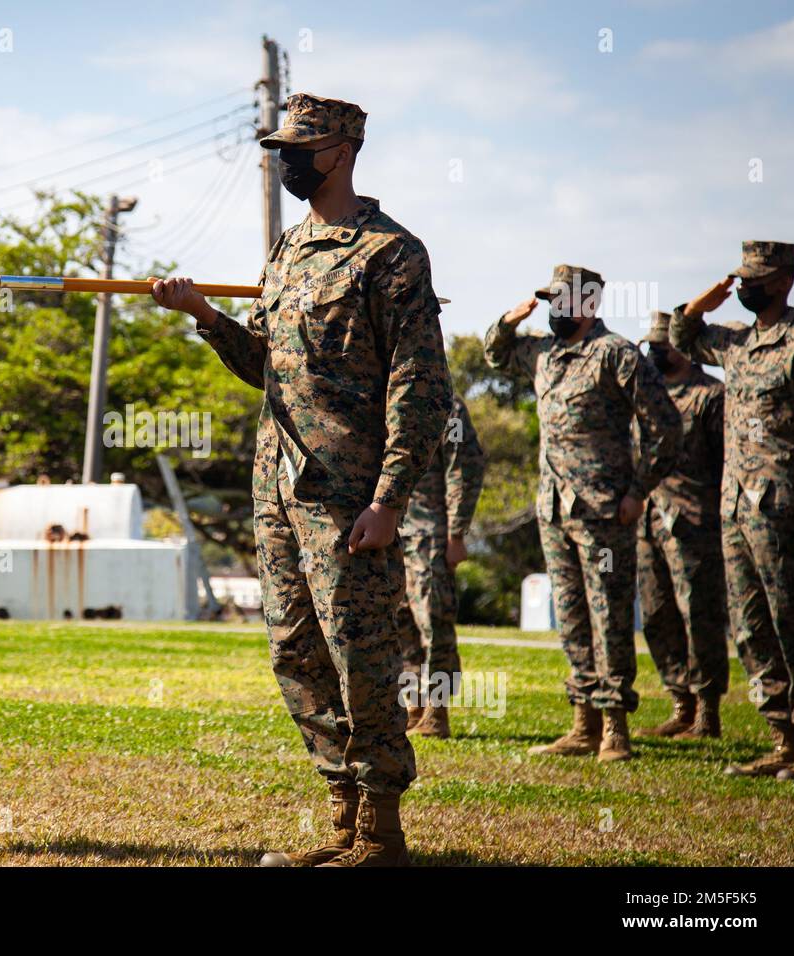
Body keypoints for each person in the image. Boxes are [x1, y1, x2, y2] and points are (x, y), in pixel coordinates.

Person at [151, 93, 452, 866]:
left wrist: (389, 499)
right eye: (279, 146)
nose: (285, 160)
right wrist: (208, 320)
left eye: (299, 147)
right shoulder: (287, 249)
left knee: (361, 653)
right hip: (278, 488)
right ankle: (342, 815)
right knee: (294, 650)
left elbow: (420, 385)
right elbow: (269, 368)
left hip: (348, 492)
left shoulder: (391, 253)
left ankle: (381, 830)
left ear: (342, 150)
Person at [485, 266, 679, 762]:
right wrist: (509, 321)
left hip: (605, 512)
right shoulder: (544, 353)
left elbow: (666, 427)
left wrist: (638, 490)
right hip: (553, 509)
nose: (554, 309)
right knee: (571, 616)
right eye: (550, 300)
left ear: (589, 304)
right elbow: (495, 354)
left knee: (610, 615)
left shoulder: (616, 354)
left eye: (563, 301)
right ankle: (583, 723)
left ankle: (615, 728)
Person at [670, 240, 794, 782]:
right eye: (740, 278)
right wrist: (702, 303)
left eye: (753, 279)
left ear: (783, 281)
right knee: (750, 628)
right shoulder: (736, 344)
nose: (744, 287)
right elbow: (684, 337)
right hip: (734, 508)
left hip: (786, 511)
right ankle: (781, 738)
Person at [635, 312, 728, 739]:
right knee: (655, 614)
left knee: (699, 616)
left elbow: (729, 463)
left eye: (662, 344)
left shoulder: (711, 395)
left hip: (695, 523)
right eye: (650, 344)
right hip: (647, 521)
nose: (655, 351)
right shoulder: (642, 395)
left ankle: (708, 710)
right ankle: (681, 702)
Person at [398, 391, 485, 738]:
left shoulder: (446, 404)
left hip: (432, 533)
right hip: (394, 530)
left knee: (434, 622)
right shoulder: (384, 394)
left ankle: (437, 709)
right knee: (400, 621)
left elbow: (464, 466)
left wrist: (457, 533)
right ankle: (413, 702)